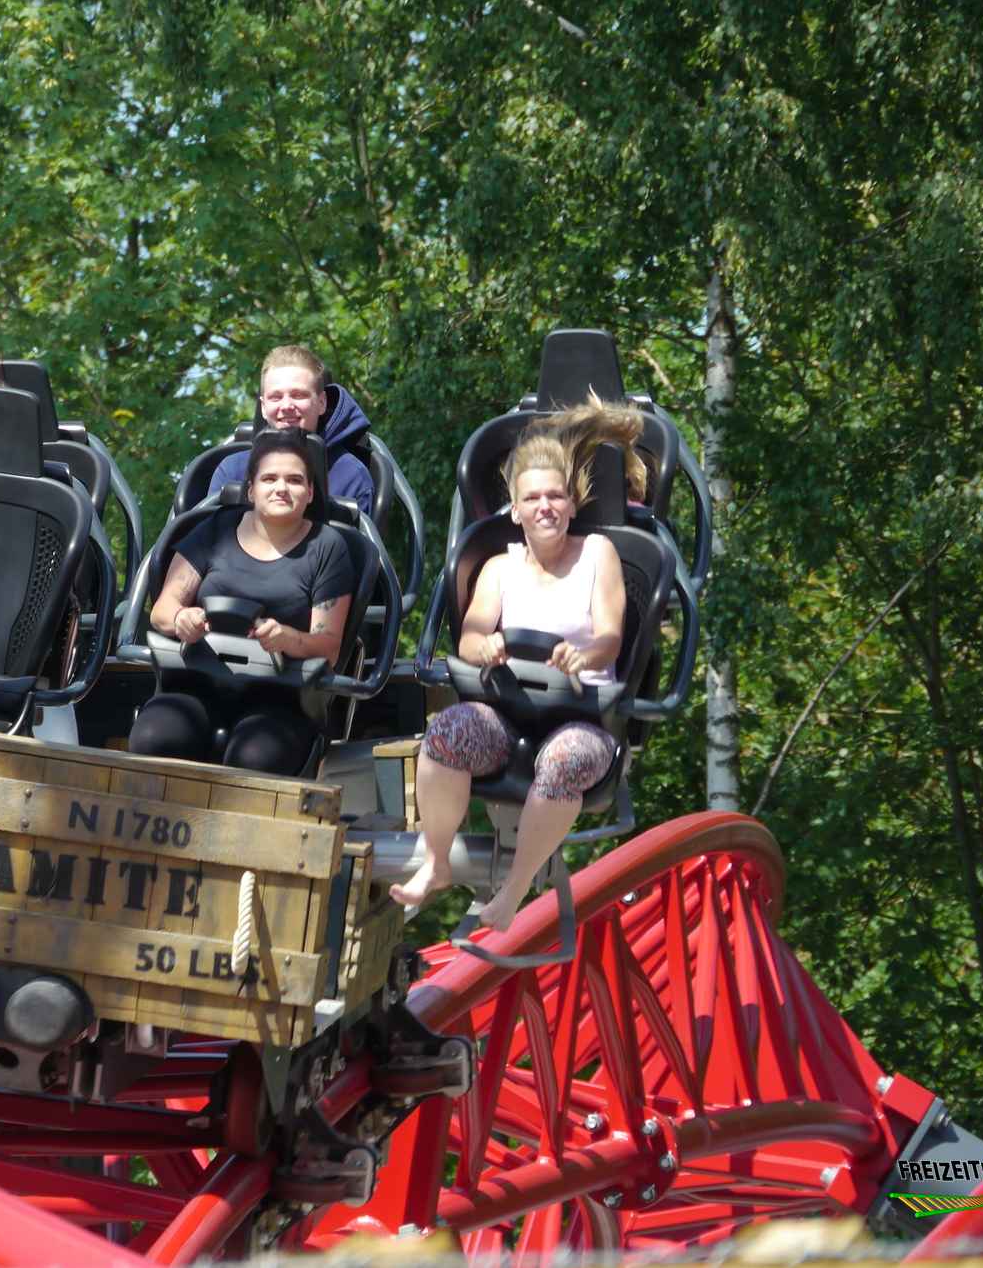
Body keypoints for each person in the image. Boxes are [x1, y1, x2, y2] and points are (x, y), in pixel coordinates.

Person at [389, 398, 646, 926]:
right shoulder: (499, 567)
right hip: (506, 713)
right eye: (534, 498)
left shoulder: (598, 553)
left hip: (581, 714)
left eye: (555, 497)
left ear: (572, 505)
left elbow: (611, 636)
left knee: (564, 760)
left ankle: (514, 889)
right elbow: (472, 634)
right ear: (516, 509)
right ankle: (436, 862)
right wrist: (485, 645)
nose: (546, 507)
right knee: (448, 732)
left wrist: (586, 654)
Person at [130, 429, 355, 775]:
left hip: (279, 699)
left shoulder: (328, 548)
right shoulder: (213, 530)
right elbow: (162, 610)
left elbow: (328, 646)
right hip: (197, 684)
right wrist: (181, 619)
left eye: (295, 480)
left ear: (310, 492)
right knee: (155, 738)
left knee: (254, 758)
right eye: (269, 478)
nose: (281, 488)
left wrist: (287, 638)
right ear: (250, 489)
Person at [205, 345, 376, 516]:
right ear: (263, 407)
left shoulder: (351, 475)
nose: (286, 406)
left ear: (322, 402)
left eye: (298, 395)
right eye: (276, 397)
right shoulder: (232, 470)